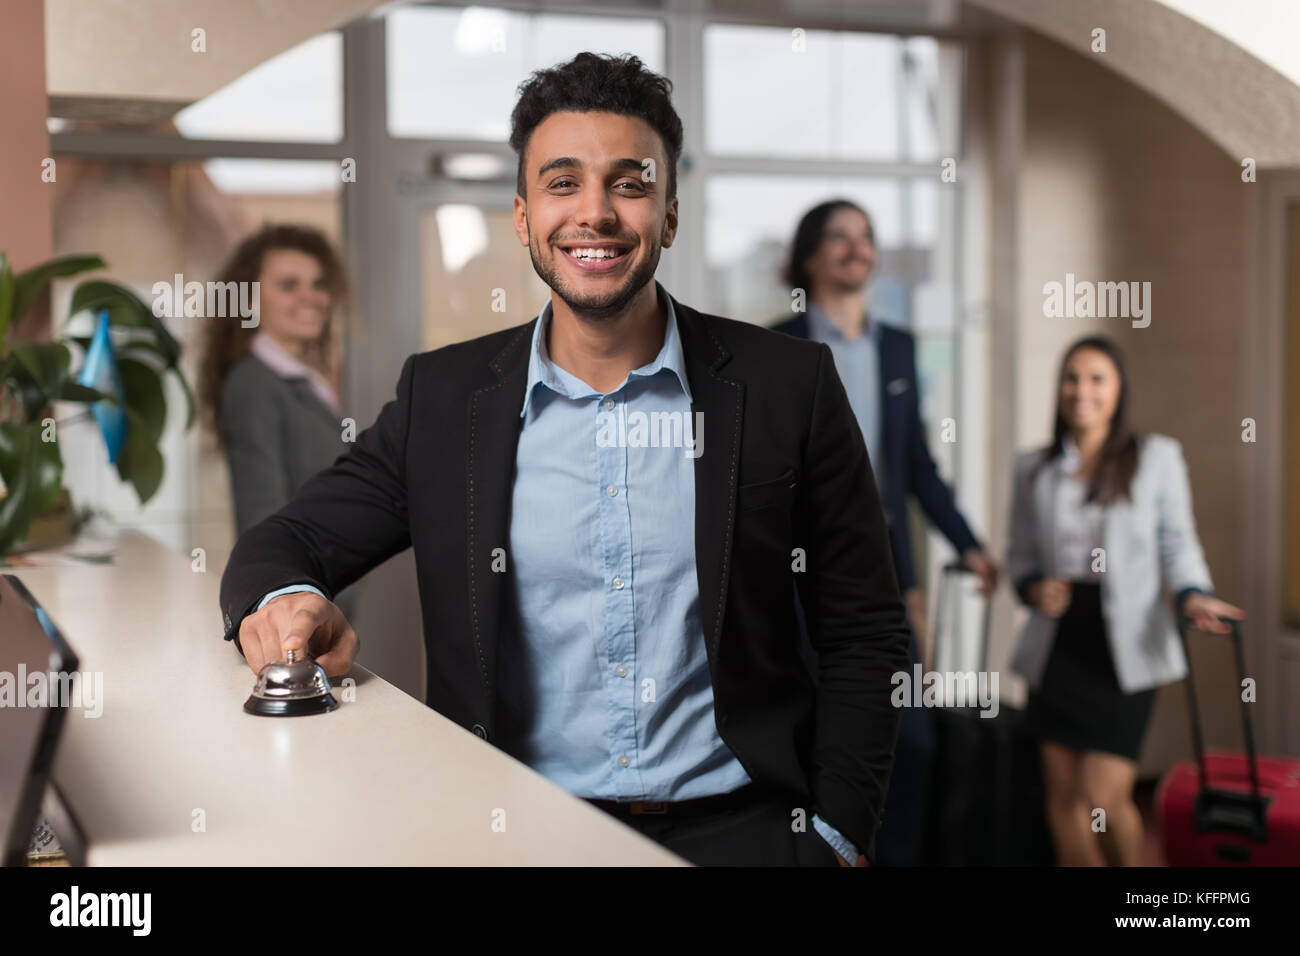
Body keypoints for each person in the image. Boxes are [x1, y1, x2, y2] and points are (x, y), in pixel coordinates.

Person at [217, 53, 911, 867]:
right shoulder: (445, 401)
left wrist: (836, 832)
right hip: (519, 832)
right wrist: (292, 602)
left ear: (670, 212)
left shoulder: (788, 385)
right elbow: (282, 542)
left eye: (629, 182)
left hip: (747, 833)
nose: (596, 213)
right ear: (522, 215)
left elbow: (864, 624)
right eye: (562, 182)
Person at [771, 199, 998, 866]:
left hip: (887, 572)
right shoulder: (778, 343)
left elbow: (918, 467)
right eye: (838, 238)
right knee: (811, 735)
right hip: (796, 574)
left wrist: (970, 545)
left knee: (912, 740)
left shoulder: (897, 347)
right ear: (809, 255)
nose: (856, 248)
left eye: (865, 237)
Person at [1006, 335, 1244, 866]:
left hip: (1125, 645)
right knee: (1064, 798)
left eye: (1096, 379)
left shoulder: (1156, 458)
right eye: (1072, 378)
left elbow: (1177, 542)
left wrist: (1193, 594)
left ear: (1118, 391)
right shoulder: (1033, 469)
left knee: (1103, 797)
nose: (1081, 391)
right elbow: (1019, 557)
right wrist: (1030, 589)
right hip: (1058, 643)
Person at [199, 223, 360, 623]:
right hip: (298, 612)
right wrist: (290, 618)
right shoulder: (254, 384)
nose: (311, 297)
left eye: (318, 283)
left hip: (324, 598)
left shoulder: (302, 380)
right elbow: (261, 519)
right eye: (289, 285)